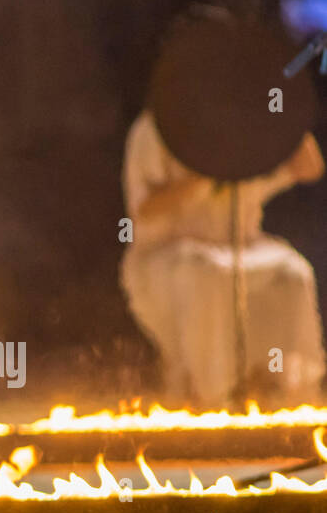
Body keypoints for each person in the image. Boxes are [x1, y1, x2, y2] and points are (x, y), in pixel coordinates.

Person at [120, 108, 326, 408]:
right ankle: (212, 399)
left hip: (242, 250)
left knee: (292, 273)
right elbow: (146, 210)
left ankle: (294, 396)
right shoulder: (155, 128)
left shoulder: (249, 123)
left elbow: (310, 167)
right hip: (169, 255)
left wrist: (288, 113)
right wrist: (207, 176)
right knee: (207, 274)